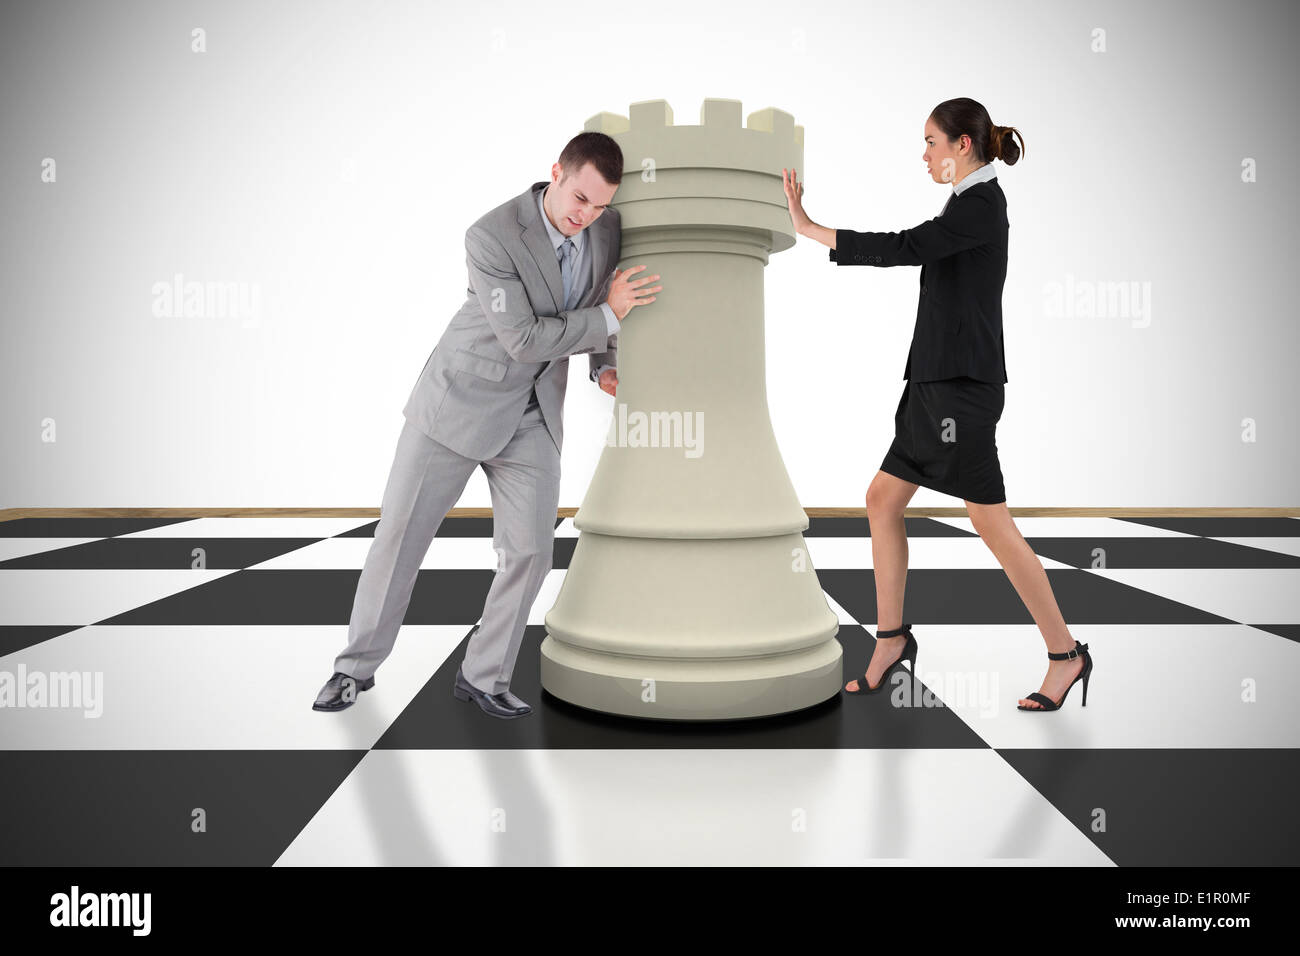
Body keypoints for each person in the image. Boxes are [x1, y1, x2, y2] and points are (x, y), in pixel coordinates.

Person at [313, 131, 662, 719]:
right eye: (579, 199)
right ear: (555, 172)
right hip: (457, 403)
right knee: (400, 539)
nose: (587, 216)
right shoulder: (491, 235)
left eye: (601, 206)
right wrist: (607, 317)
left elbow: (603, 298)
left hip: (533, 412)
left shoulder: (605, 228)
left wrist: (605, 366)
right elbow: (526, 338)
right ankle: (354, 668)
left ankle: (484, 675)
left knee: (529, 551)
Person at [781, 97, 1093, 712]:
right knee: (882, 498)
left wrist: (811, 227)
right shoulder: (967, 203)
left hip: (962, 390)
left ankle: (1066, 654)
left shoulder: (981, 205)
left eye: (930, 142)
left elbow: (907, 245)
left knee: (988, 519)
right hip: (933, 384)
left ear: (962, 147)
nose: (924, 154)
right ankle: (892, 639)